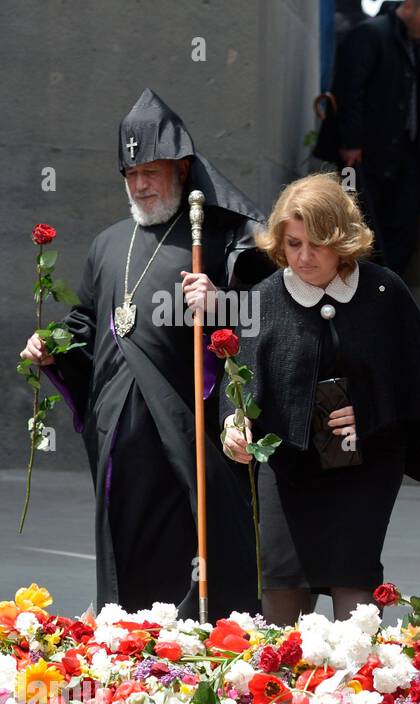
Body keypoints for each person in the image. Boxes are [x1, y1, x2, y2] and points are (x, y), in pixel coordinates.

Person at [20, 88, 271, 618]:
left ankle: (194, 634)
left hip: (186, 424)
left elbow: (263, 317)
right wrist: (55, 349)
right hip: (117, 431)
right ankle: (125, 633)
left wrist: (220, 302)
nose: (140, 185)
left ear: (180, 169)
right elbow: (88, 321)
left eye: (150, 173)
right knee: (123, 539)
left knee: (192, 540)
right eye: (130, 175)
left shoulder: (217, 236)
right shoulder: (108, 243)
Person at [221, 174, 420, 625]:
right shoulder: (262, 299)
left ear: (342, 241)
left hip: (364, 472)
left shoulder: (386, 293)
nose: (303, 257)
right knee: (282, 597)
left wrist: (371, 414)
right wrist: (234, 426)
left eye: (317, 244)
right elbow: (239, 389)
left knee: (356, 602)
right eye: (293, 243)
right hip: (286, 473)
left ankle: (356, 693)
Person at [332, 0, 420, 277]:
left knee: (403, 227)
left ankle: (388, 293)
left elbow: (407, 96)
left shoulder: (413, 43)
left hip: (404, 152)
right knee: (363, 225)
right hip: (366, 152)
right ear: (408, 7)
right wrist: (352, 142)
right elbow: (350, 90)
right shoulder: (371, 34)